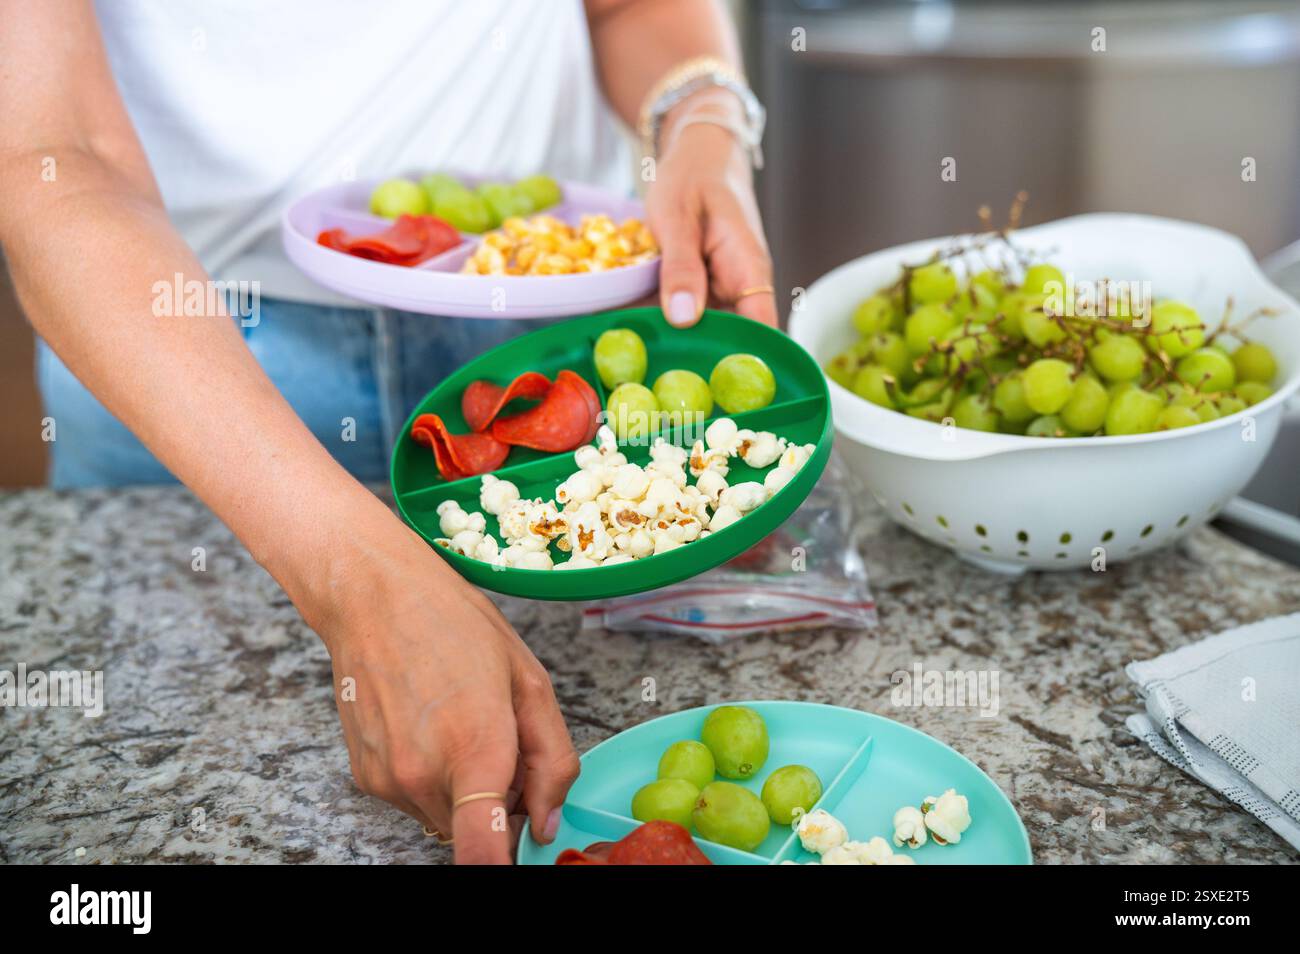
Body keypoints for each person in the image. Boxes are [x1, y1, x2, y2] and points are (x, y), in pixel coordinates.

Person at [0, 0, 774, 863]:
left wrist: (702, 113)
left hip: (541, 329)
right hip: (182, 366)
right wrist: (351, 569)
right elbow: (52, 156)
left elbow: (628, 8)